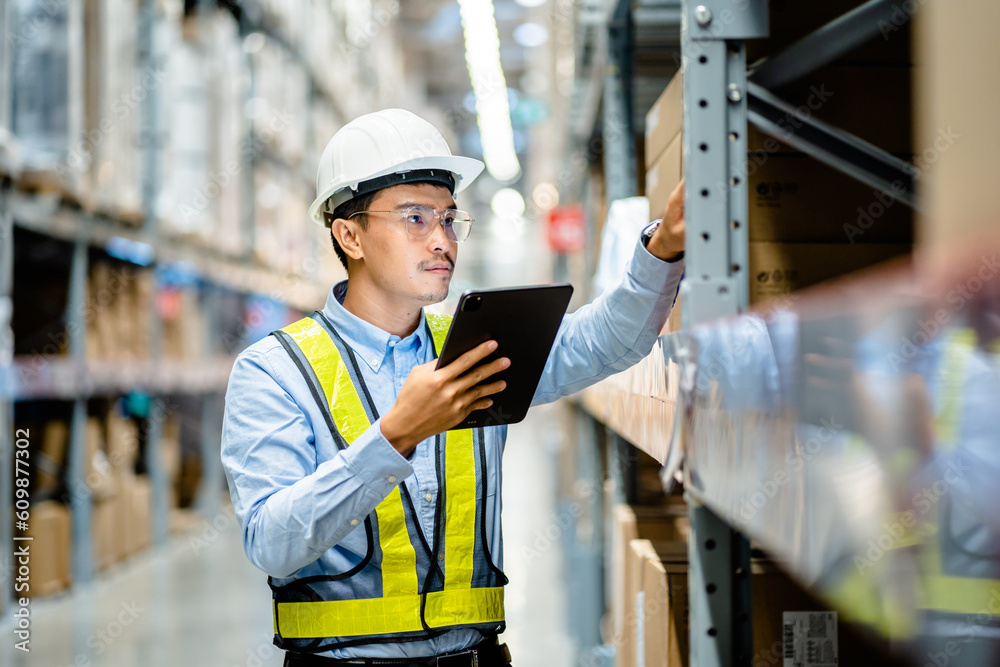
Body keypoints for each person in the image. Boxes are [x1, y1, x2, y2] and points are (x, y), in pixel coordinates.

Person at [221, 108, 686, 666]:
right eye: (415, 219)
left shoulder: (474, 346)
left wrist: (663, 250)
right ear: (350, 235)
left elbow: (608, 342)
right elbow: (271, 542)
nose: (442, 240)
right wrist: (394, 437)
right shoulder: (275, 369)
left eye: (449, 218)